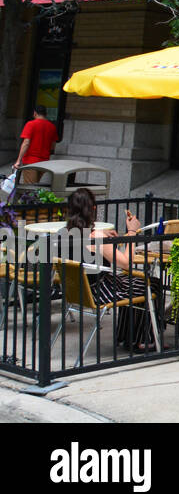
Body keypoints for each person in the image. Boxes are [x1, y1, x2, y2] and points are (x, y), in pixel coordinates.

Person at [65, 187, 163, 351]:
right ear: (93, 209)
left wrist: (104, 235)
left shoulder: (68, 233)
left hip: (79, 291)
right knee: (151, 284)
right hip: (100, 291)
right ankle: (141, 340)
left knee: (134, 283)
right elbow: (125, 263)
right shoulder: (96, 237)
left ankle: (127, 336)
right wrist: (132, 232)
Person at [13, 104, 58, 183]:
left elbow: (26, 143)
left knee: (29, 187)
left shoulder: (31, 124)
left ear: (35, 113)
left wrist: (18, 160)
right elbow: (53, 146)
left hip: (30, 161)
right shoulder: (52, 127)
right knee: (35, 186)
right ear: (45, 114)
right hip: (44, 162)